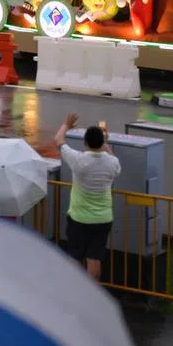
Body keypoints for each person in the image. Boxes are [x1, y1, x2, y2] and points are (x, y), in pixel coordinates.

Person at [53, 114, 121, 280]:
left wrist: (66, 124)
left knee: (75, 257)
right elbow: (114, 161)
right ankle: (93, 294)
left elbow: (58, 141)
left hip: (79, 217)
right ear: (101, 142)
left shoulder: (79, 160)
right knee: (94, 258)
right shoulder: (112, 163)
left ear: (85, 143)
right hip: (103, 219)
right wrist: (106, 144)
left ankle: (76, 294)